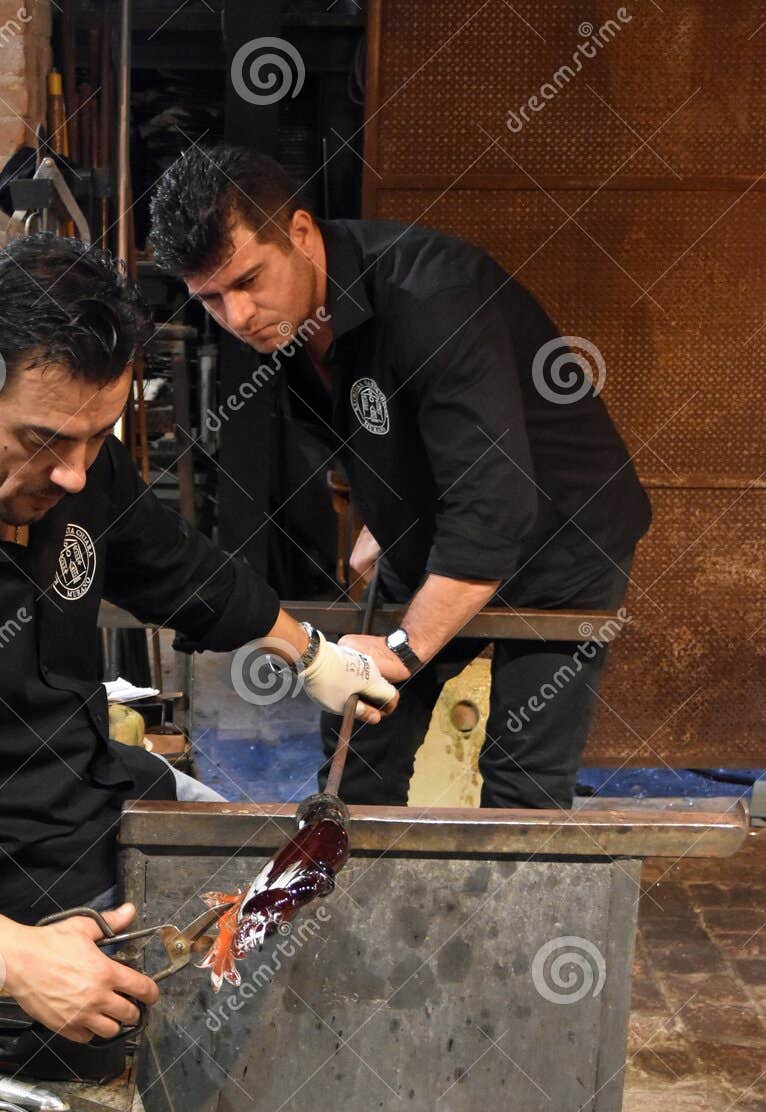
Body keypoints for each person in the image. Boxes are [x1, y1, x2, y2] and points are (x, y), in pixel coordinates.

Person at [0, 235, 396, 1044]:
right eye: (44, 439)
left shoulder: (72, 462)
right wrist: (16, 957)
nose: (77, 474)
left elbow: (170, 563)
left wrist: (309, 653)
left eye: (99, 435)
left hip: (101, 798)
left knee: (313, 924)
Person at [148, 146, 652, 808]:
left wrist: (407, 649)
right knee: (356, 741)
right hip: (442, 529)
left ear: (300, 234)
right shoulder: (288, 328)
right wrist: (380, 520)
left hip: (566, 541)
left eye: (246, 281)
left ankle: (507, 911)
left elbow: (495, 505)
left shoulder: (433, 295)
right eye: (210, 299)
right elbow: (377, 434)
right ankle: (355, 910)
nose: (237, 317)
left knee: (520, 775)